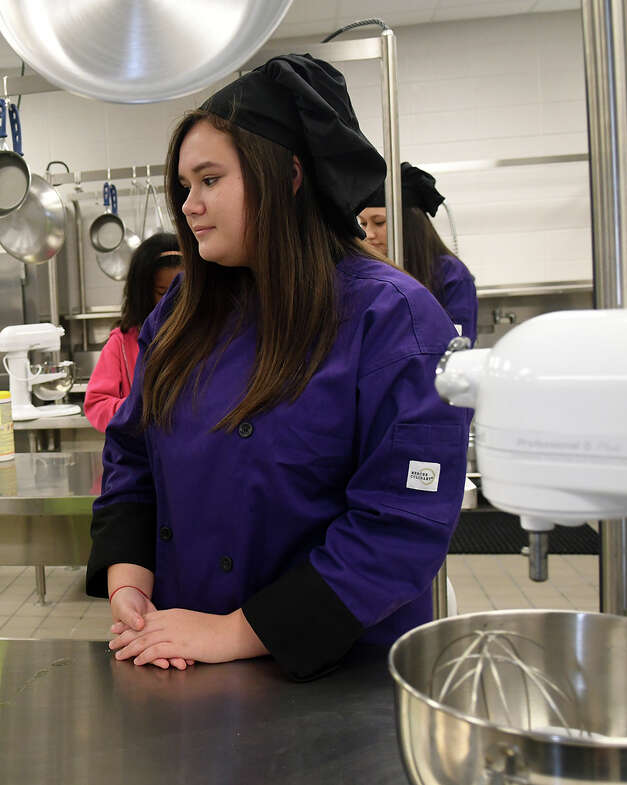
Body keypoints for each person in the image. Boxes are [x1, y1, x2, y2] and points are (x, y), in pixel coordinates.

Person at [86, 54, 469, 679]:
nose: (190, 206)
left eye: (210, 180)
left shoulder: (393, 318)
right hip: (186, 655)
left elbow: (401, 523)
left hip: (336, 670)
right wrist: (129, 581)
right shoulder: (186, 309)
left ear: (288, 175)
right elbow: (132, 450)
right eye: (185, 187)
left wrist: (235, 631)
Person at [358, 164, 477, 343]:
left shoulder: (450, 273)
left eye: (380, 222)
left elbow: (459, 344)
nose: (369, 234)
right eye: (364, 224)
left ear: (408, 223)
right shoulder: (365, 273)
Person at [84, 233, 182, 432]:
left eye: (182, 291)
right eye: (163, 292)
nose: (174, 301)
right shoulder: (121, 344)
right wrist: (137, 413)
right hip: (142, 456)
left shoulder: (206, 337)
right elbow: (96, 404)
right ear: (143, 293)